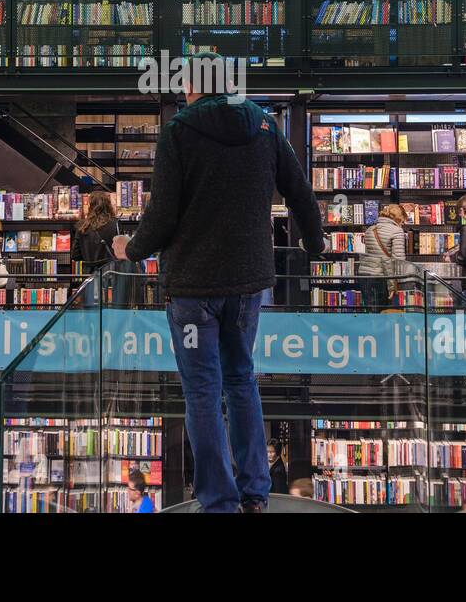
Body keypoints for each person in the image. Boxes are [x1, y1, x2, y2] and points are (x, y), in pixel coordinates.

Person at [114, 54, 325, 513]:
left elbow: (163, 215)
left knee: (202, 393)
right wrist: (315, 244)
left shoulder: (179, 132)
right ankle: (255, 494)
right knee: (241, 380)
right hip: (249, 285)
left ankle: (218, 501)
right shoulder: (266, 127)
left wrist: (129, 249)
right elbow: (301, 193)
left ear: (195, 85)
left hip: (192, 288)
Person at [357, 203, 420, 312]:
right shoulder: (397, 231)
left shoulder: (370, 230)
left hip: (364, 276)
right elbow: (397, 261)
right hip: (382, 278)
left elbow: (368, 255)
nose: (403, 223)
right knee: (384, 314)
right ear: (399, 218)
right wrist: (393, 285)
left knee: (370, 313)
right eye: (403, 220)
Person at [70, 189, 119, 300]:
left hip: (89, 275)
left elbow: (75, 255)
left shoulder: (81, 226)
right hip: (110, 274)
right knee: (110, 305)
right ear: (108, 205)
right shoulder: (115, 224)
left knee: (91, 308)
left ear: (90, 205)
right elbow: (119, 252)